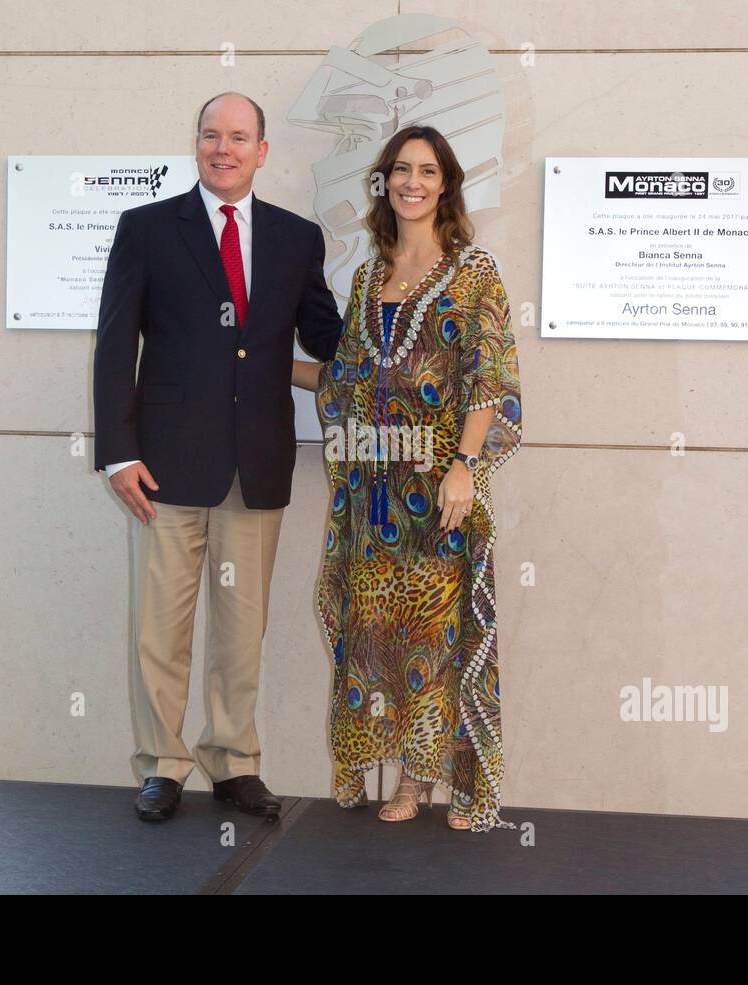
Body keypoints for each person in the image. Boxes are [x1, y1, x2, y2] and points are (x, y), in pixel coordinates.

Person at [93, 92, 343, 823]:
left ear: (263, 151)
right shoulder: (146, 230)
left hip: (256, 465)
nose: (223, 148)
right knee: (160, 630)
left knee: (243, 629)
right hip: (164, 469)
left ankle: (235, 763)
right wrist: (117, 454)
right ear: (196, 144)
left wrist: (397, 294)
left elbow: (327, 340)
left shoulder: (298, 239)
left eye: (238, 137)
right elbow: (115, 349)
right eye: (211, 135)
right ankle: (163, 766)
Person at [293, 125, 522, 832]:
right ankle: (399, 768)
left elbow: (491, 377)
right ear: (384, 181)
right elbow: (347, 382)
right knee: (377, 637)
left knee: (434, 637)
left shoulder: (475, 271)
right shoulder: (367, 278)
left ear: (447, 184)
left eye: (426, 171)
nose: (411, 182)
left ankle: (424, 780)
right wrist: (261, 362)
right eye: (400, 169)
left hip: (440, 496)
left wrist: (463, 465)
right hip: (373, 497)